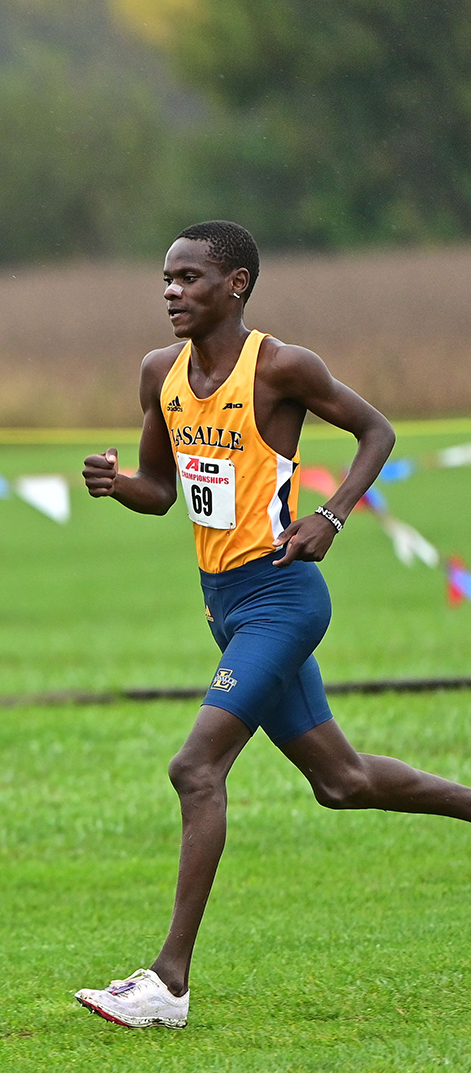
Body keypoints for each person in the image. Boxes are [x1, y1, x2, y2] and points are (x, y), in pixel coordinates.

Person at [74, 222, 471, 1028]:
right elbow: (161, 489)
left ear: (237, 285)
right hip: (224, 605)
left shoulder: (282, 367)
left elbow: (377, 431)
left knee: (195, 769)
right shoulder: (161, 374)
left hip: (283, 599)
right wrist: (118, 484)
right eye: (166, 280)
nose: (172, 293)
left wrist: (332, 513)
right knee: (343, 783)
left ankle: (168, 985)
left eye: (189, 279)